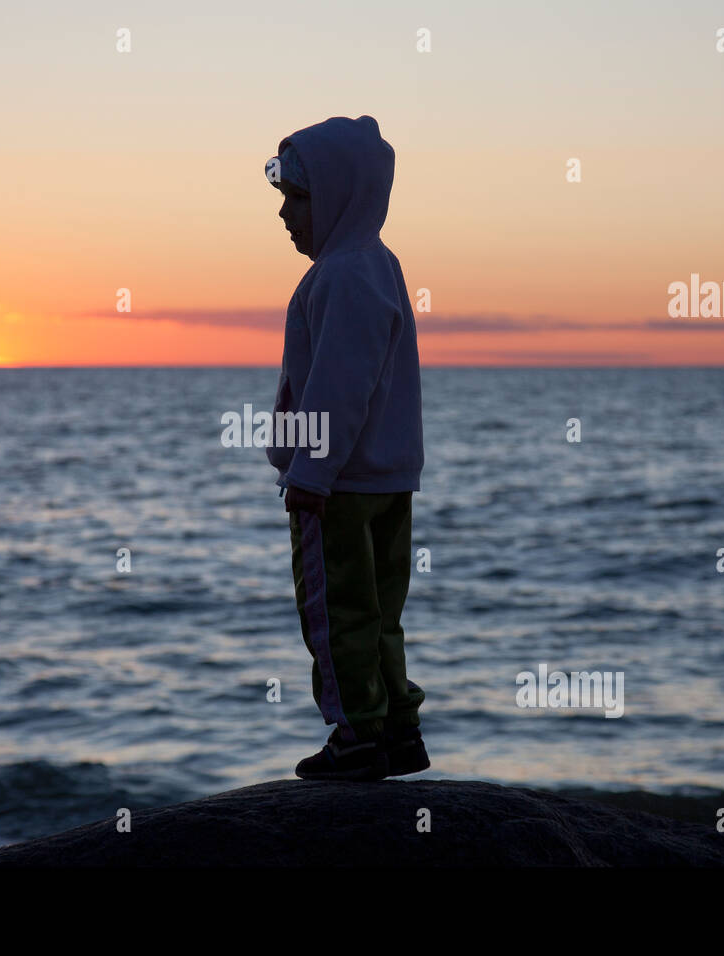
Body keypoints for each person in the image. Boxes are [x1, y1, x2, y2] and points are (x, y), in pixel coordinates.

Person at [264, 115, 428, 781]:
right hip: (387, 480)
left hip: (340, 487)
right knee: (381, 612)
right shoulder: (379, 267)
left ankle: (356, 733)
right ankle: (396, 729)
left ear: (336, 198)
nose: (283, 214)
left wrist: (311, 472)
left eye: (295, 199)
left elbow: (339, 386)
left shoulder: (340, 276)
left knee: (337, 611)